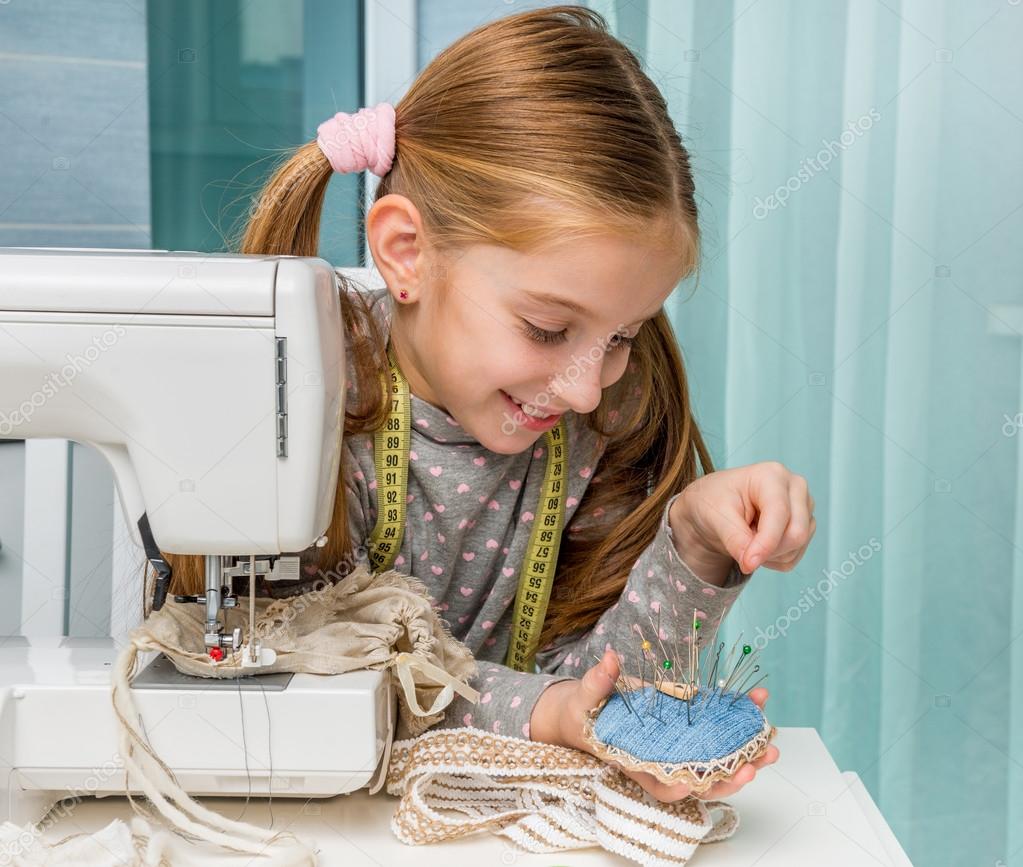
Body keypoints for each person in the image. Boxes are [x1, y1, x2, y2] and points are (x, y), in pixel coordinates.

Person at [173, 5, 815, 804]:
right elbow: (297, 678)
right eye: (548, 329)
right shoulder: (302, 405)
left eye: (622, 335)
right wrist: (537, 713)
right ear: (405, 252)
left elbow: (604, 712)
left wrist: (691, 549)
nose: (587, 386)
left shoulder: (608, 416)